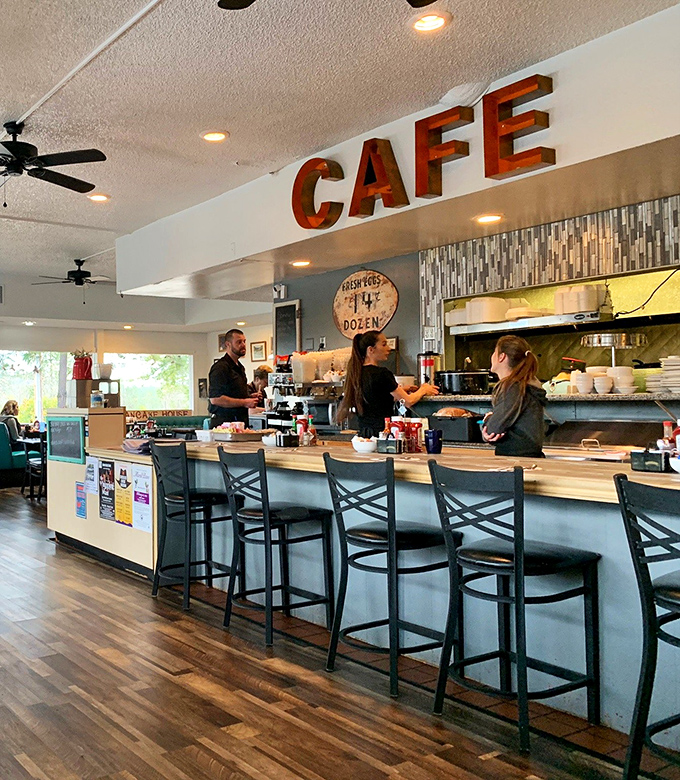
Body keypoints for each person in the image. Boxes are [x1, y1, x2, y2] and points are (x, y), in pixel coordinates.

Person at [338, 331, 439, 437]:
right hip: (383, 435)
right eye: (384, 344)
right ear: (370, 350)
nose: (389, 348)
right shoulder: (382, 373)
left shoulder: (355, 373)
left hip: (364, 436)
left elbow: (375, 398)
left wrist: (401, 390)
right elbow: (408, 401)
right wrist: (423, 389)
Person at [482, 335, 547, 458]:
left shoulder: (512, 387)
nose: (492, 357)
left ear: (502, 357)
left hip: (516, 460)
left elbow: (493, 429)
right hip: (527, 458)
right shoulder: (525, 385)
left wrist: (488, 419)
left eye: (494, 352)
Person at [208, 330, 261, 428]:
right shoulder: (220, 367)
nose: (243, 345)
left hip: (240, 421)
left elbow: (233, 393)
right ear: (228, 344)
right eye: (239, 342)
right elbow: (215, 399)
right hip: (224, 424)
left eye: (244, 341)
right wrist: (245, 402)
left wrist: (249, 396)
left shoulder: (240, 367)